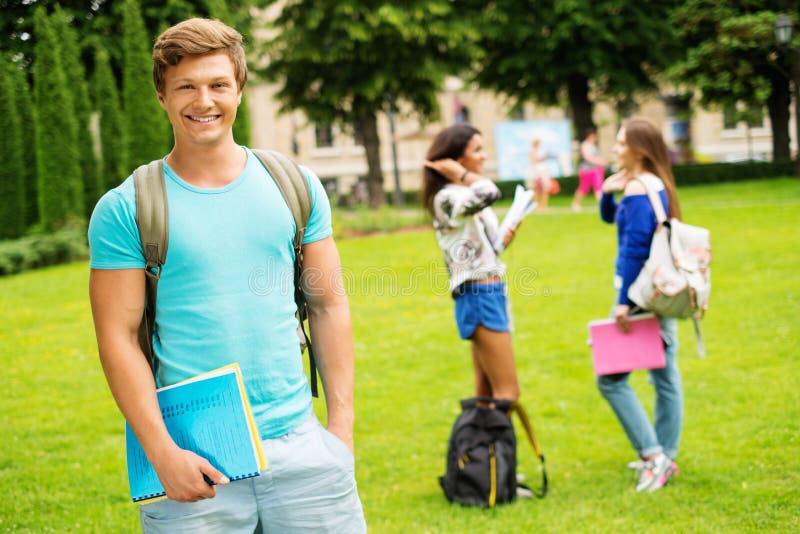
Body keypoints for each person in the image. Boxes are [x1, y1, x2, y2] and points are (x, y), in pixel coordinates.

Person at [87, 18, 365, 532]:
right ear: (162, 96)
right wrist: (161, 452)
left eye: (218, 84)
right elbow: (118, 338)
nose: (203, 101)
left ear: (238, 88)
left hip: (302, 447)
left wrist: (339, 434)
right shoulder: (125, 208)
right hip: (191, 455)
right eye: (185, 87)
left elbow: (328, 306)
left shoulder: (295, 184)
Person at [597, 116, 683, 493]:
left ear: (639, 150)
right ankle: (665, 453)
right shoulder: (652, 185)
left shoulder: (640, 189)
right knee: (665, 376)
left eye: (620, 143)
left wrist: (622, 302)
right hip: (658, 292)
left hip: (640, 296)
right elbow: (612, 220)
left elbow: (633, 249)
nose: (614, 149)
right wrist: (606, 192)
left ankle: (655, 456)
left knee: (611, 380)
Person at [422, 124, 521, 403]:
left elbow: (485, 249)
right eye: (477, 150)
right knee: (507, 394)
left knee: (487, 393)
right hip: (479, 294)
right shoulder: (448, 197)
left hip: (489, 290)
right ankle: (494, 447)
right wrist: (460, 175)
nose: (484, 156)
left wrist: (503, 240)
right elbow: (489, 192)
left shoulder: (461, 195)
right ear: (456, 158)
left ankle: (479, 448)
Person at [572, 127, 607, 212]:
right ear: (591, 136)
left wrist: (603, 161)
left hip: (596, 170)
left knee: (598, 187)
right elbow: (588, 157)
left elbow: (597, 156)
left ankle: (602, 205)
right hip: (587, 170)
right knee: (583, 188)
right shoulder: (585, 145)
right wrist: (599, 162)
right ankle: (575, 204)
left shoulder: (593, 146)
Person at [526, 137, 554, 213]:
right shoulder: (531, 151)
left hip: (543, 171)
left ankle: (544, 206)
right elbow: (533, 162)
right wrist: (536, 173)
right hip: (536, 172)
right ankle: (536, 207)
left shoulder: (542, 151)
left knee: (545, 189)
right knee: (536, 189)